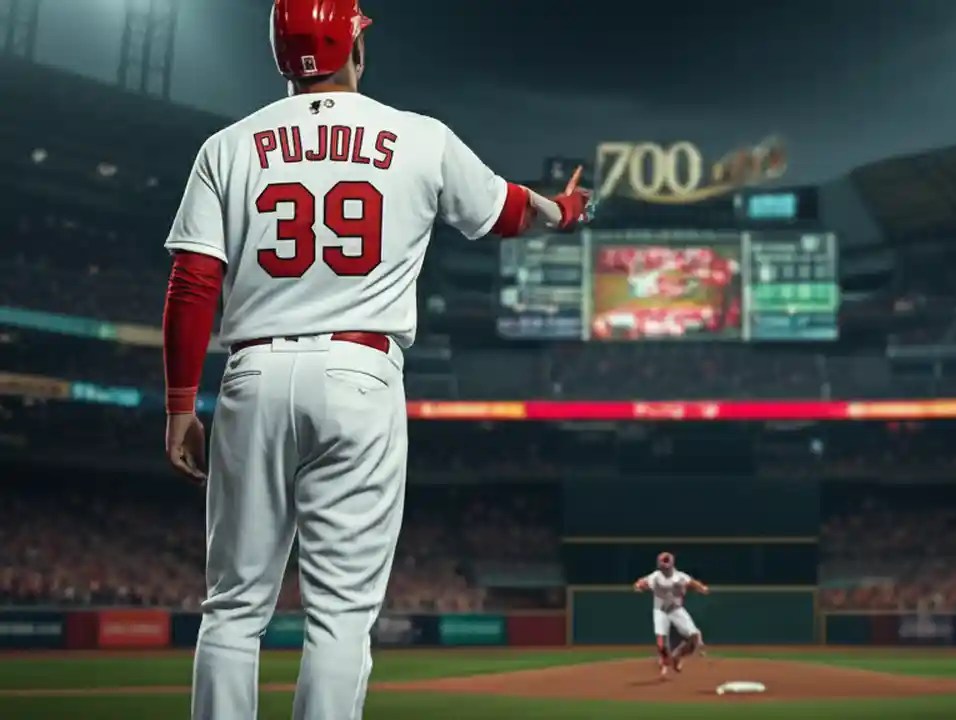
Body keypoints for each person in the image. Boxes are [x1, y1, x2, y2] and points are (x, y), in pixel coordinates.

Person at [160, 1, 590, 717]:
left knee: (233, 607)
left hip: (253, 376)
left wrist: (180, 407)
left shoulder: (228, 146)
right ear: (353, 47)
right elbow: (504, 213)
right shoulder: (418, 136)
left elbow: (194, 281)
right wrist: (563, 211)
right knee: (340, 615)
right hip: (360, 374)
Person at [633, 552, 710, 677]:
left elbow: (692, 582)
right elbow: (642, 582)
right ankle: (664, 660)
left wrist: (702, 588)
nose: (665, 565)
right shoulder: (656, 576)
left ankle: (677, 656)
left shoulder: (679, 576)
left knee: (694, 637)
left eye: (666, 561)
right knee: (661, 645)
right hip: (660, 611)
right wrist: (638, 585)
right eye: (663, 561)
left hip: (676, 610)